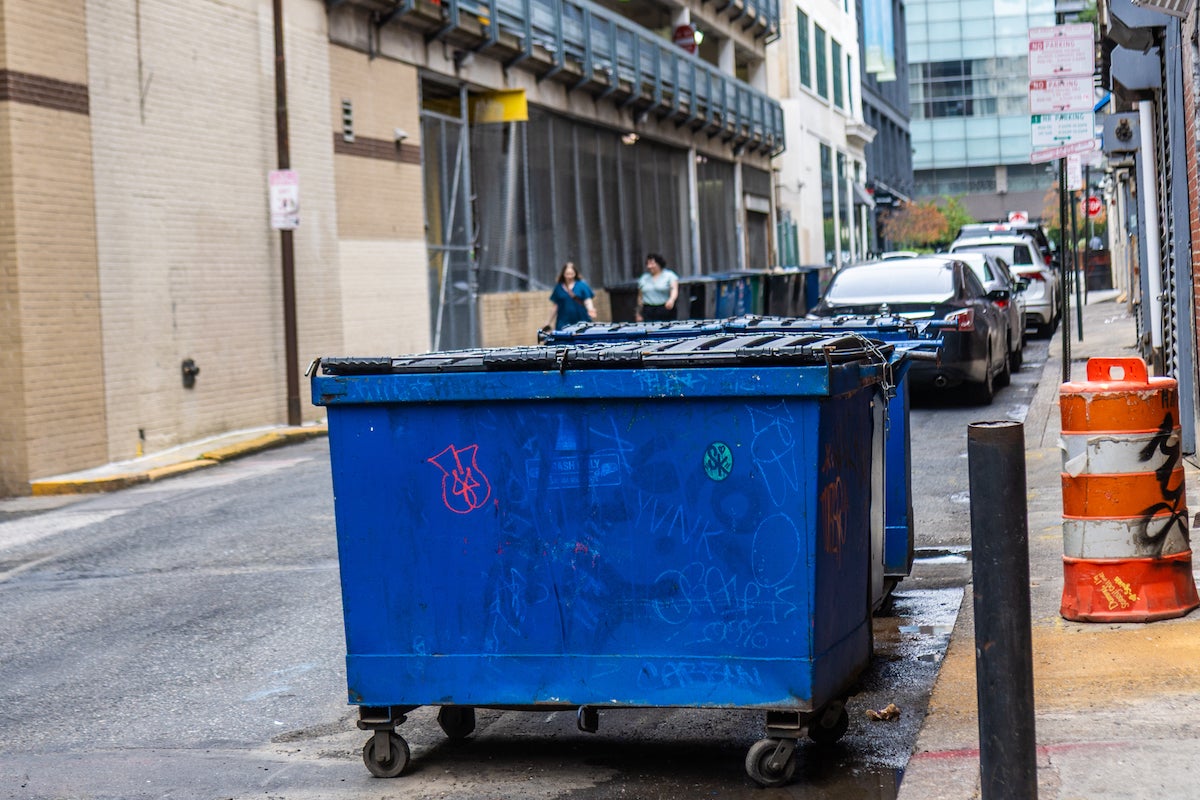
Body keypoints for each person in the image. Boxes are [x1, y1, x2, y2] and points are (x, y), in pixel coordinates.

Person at [544, 261, 597, 331]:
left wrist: (590, 309)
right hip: (563, 323)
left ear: (575, 274)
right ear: (563, 274)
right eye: (567, 274)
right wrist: (548, 322)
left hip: (581, 322)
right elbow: (555, 306)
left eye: (572, 274)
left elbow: (587, 300)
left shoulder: (582, 285)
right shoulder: (558, 288)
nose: (569, 276)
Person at [636, 252, 679, 322]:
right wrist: (638, 313)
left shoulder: (669, 275)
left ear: (659, 264)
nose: (649, 266)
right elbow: (640, 297)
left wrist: (671, 300)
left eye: (652, 264)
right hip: (648, 309)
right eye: (648, 264)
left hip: (664, 308)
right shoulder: (644, 278)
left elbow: (674, 289)